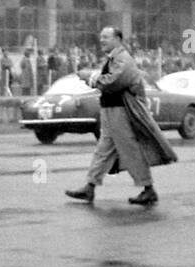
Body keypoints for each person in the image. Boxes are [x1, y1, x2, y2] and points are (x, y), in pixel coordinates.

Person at [66, 26, 177, 206]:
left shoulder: (123, 59)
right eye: (101, 37)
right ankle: (90, 186)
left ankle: (148, 188)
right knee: (103, 151)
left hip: (120, 111)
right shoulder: (114, 59)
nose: (102, 40)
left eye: (106, 37)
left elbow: (113, 82)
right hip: (111, 110)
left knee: (129, 150)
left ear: (118, 39)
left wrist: (90, 77)